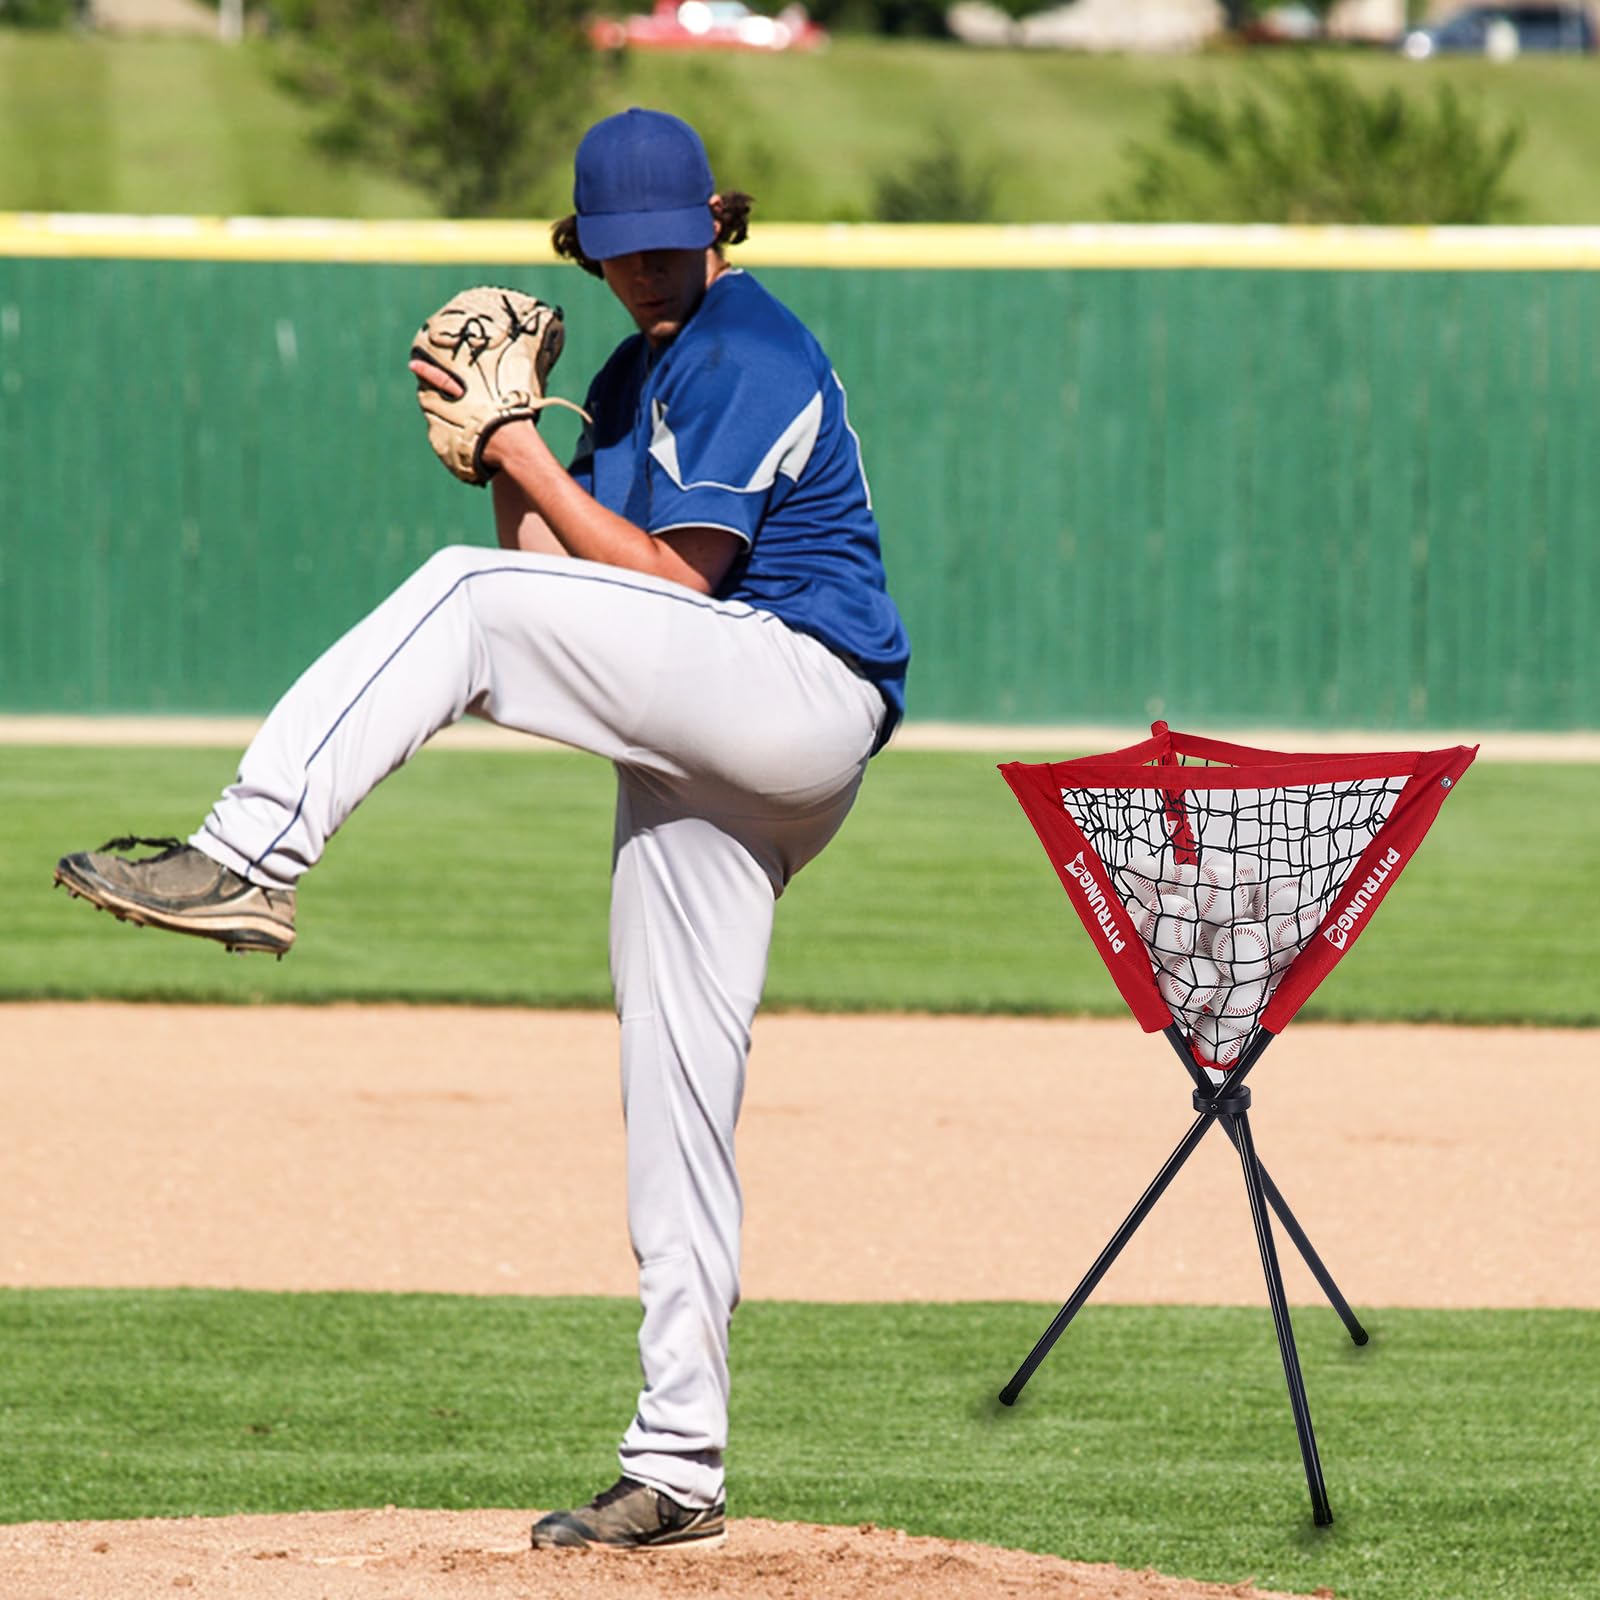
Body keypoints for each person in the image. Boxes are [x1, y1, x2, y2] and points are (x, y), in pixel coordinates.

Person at [54, 108, 910, 1552]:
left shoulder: (750, 348)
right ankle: (679, 1466)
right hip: (705, 740)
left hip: (794, 690)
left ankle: (250, 853)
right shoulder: (636, 374)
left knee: (459, 596)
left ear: (719, 223)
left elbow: (675, 587)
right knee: (676, 1088)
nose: (646, 271)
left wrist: (521, 438)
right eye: (620, 252)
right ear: (587, 250)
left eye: (669, 244)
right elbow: (560, 574)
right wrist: (498, 454)